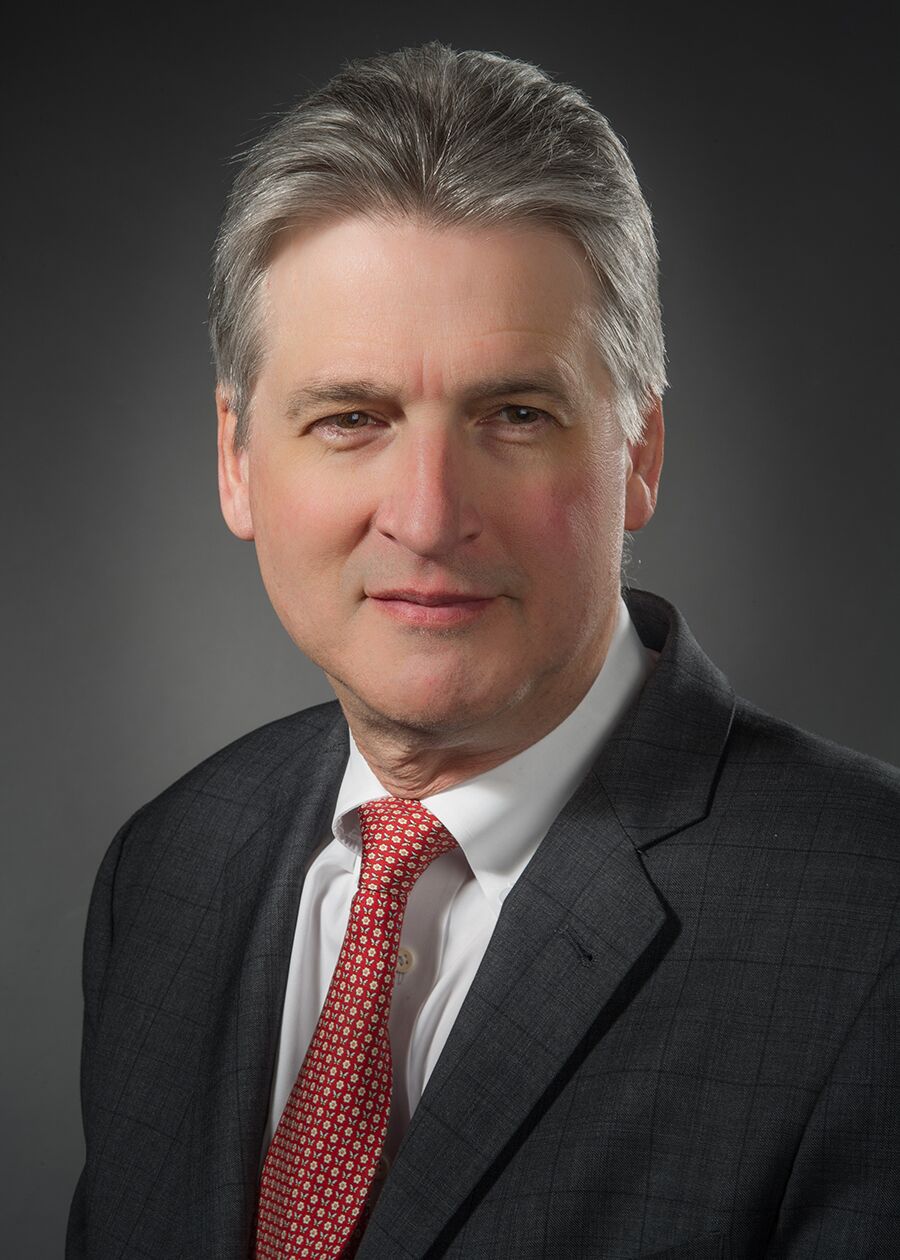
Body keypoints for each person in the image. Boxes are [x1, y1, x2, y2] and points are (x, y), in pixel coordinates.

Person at [67, 41, 899, 1260]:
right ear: (238, 460)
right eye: (350, 419)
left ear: (641, 452)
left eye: (513, 415)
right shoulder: (166, 871)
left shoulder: (871, 929)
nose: (426, 511)